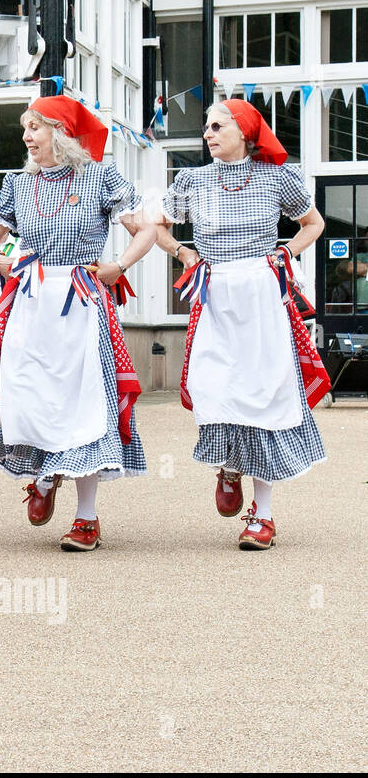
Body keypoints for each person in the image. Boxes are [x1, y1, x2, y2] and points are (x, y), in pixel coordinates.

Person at [0, 96, 155, 552]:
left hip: (83, 298)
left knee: (86, 402)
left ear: (60, 133)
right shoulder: (18, 184)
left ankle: (87, 519)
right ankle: (44, 475)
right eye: (26, 128)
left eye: (34, 128)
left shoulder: (101, 177)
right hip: (31, 298)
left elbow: (144, 229)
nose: (26, 137)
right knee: (33, 393)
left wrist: (118, 265)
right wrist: (0, 259)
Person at [142, 98, 328, 550]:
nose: (207, 133)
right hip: (215, 292)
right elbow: (157, 224)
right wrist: (183, 252)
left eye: (217, 126)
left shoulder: (277, 178)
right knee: (214, 386)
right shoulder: (192, 180)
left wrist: (284, 254)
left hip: (262, 293)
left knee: (266, 395)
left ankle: (263, 516)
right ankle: (228, 465)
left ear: (243, 133)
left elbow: (313, 223)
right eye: (206, 127)